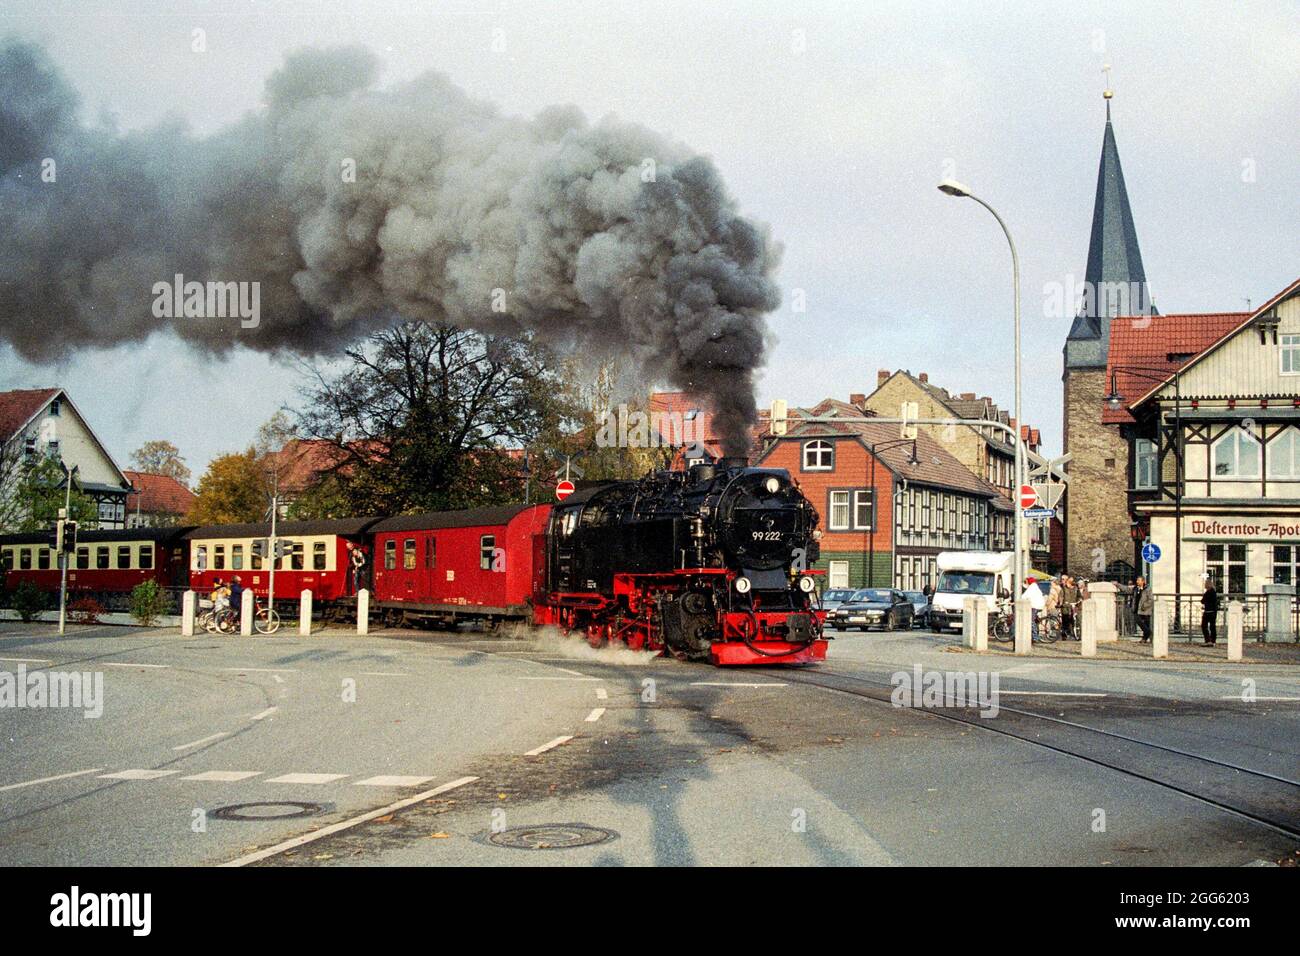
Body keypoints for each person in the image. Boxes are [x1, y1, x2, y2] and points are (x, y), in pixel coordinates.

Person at [1060, 575, 1080, 639]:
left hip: (1073, 606)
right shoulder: (1063, 588)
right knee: (1065, 621)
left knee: (1074, 620)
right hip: (1065, 607)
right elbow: (1061, 596)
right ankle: (1064, 635)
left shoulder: (1076, 588)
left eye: (1064, 580)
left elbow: (1079, 596)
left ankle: (1075, 633)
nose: (1066, 583)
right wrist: (1061, 604)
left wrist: (1079, 600)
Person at [1133, 576, 1153, 642]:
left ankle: (1144, 638)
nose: (1137, 581)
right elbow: (1127, 589)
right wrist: (1118, 585)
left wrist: (1144, 606)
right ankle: (1148, 632)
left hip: (1145, 609)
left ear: (1143, 581)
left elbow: (1151, 599)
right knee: (1137, 620)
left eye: (1139, 580)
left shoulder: (1148, 589)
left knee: (1146, 624)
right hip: (1138, 609)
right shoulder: (1136, 588)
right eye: (1137, 580)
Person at [1201, 578, 1220, 645]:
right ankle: (1213, 640)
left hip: (1208, 611)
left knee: (1204, 626)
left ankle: (1208, 640)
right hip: (1213, 611)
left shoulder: (1208, 592)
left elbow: (1202, 601)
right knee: (1212, 626)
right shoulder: (1213, 592)